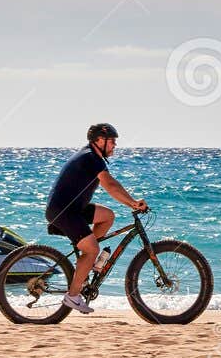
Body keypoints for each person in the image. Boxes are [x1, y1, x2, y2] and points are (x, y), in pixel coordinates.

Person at [45, 122, 147, 315]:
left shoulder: (91, 156)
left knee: (107, 216)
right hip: (64, 212)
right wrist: (133, 203)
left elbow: (111, 186)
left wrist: (130, 203)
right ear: (100, 140)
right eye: (112, 141)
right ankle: (73, 296)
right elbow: (111, 185)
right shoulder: (91, 157)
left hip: (74, 208)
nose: (115, 145)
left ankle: (86, 265)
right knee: (92, 249)